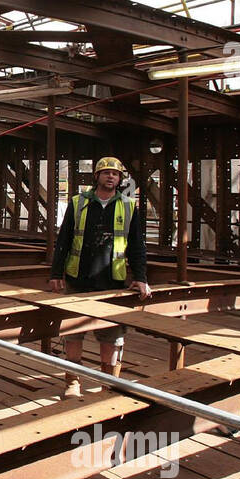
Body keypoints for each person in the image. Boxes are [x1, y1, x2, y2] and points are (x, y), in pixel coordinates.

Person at [47, 156, 151, 398]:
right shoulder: (79, 203)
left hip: (112, 282)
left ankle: (108, 383)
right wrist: (55, 272)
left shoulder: (128, 206)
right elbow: (64, 240)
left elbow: (137, 245)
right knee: (73, 333)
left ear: (119, 179)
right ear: (96, 176)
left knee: (111, 336)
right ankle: (73, 382)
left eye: (115, 174)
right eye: (105, 173)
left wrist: (141, 277)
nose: (110, 176)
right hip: (78, 278)